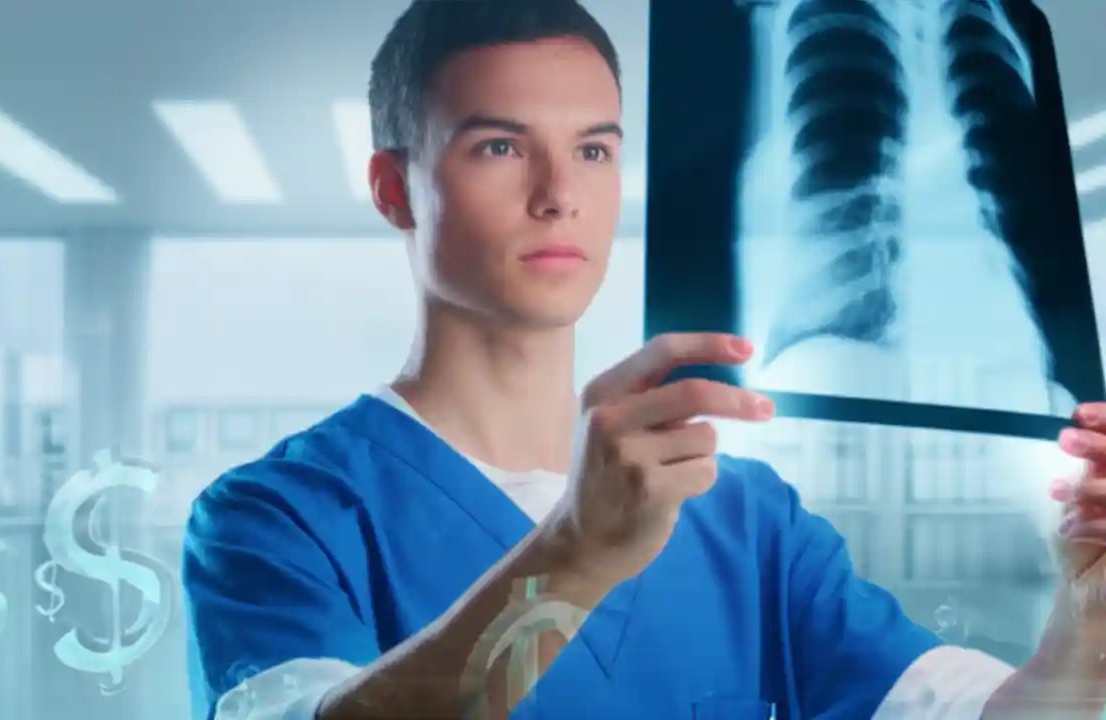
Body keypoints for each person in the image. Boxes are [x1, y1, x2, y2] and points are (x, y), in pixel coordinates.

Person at [182, 1, 1106, 719]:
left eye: (593, 150)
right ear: (394, 190)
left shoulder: (742, 516)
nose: (559, 196)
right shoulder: (273, 520)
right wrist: (577, 557)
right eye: (500, 146)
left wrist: (1082, 638)